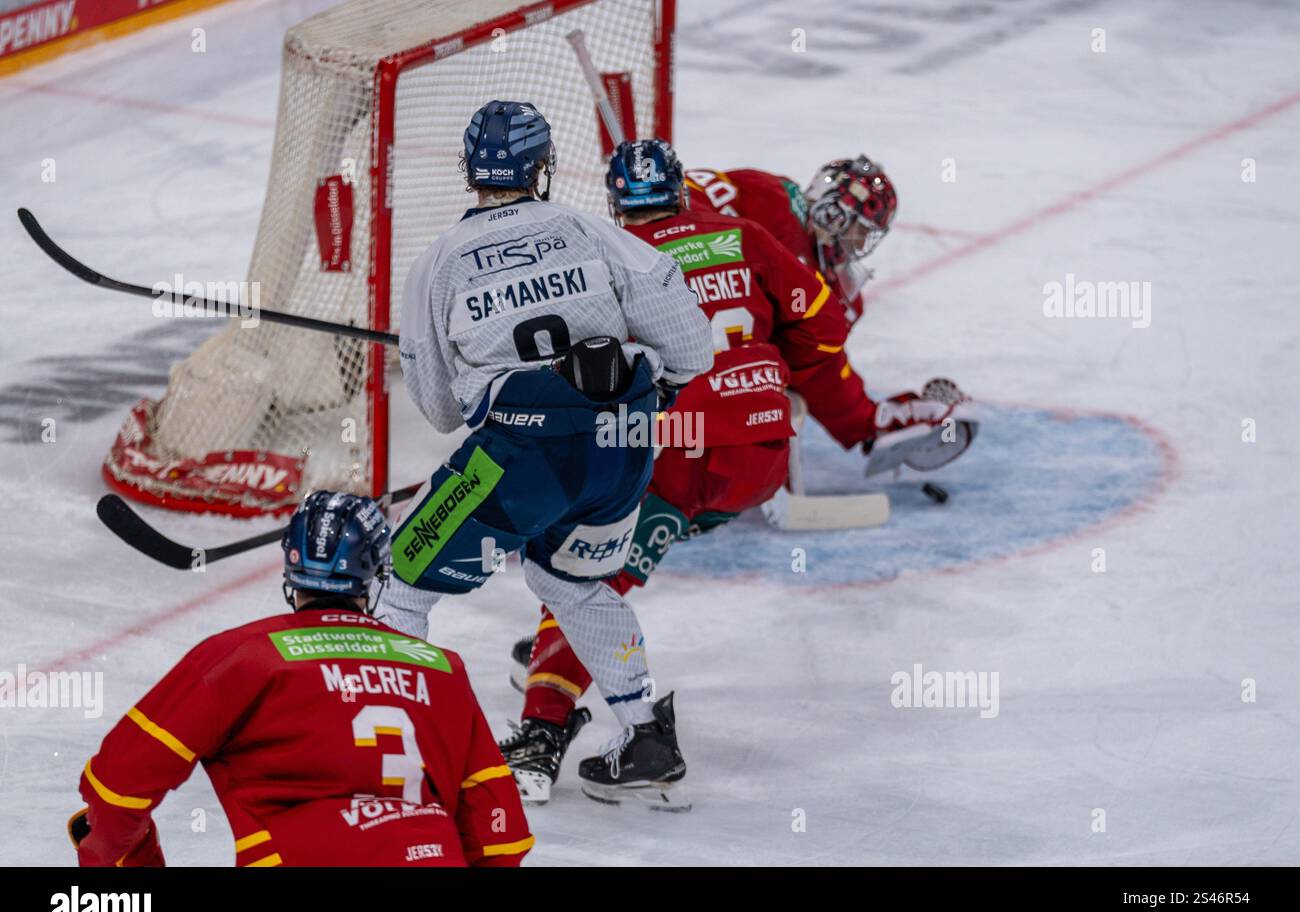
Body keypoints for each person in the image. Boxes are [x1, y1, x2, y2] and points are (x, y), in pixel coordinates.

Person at [503, 140, 976, 802]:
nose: (855, 239)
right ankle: (588, 668)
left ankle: (542, 734)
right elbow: (825, 328)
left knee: (581, 566)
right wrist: (781, 365)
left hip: (676, 444)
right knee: (608, 570)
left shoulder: (612, 255)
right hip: (758, 453)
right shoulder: (753, 222)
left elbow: (562, 350)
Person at [374, 103, 713, 811]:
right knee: (573, 585)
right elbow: (690, 344)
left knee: (402, 578)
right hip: (624, 448)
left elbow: (439, 409)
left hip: (518, 459)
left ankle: (408, 762)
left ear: (470, 170)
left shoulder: (436, 264)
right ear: (543, 166)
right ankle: (645, 733)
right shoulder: (591, 231)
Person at [70, 491, 532, 867]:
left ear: (291, 569)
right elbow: (501, 839)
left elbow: (117, 786)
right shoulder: (442, 668)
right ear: (376, 573)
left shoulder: (242, 657)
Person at [684, 155, 898, 323]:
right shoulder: (774, 200)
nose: (860, 243)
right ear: (835, 212)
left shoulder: (841, 295)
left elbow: (823, 363)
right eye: (860, 230)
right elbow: (687, 191)